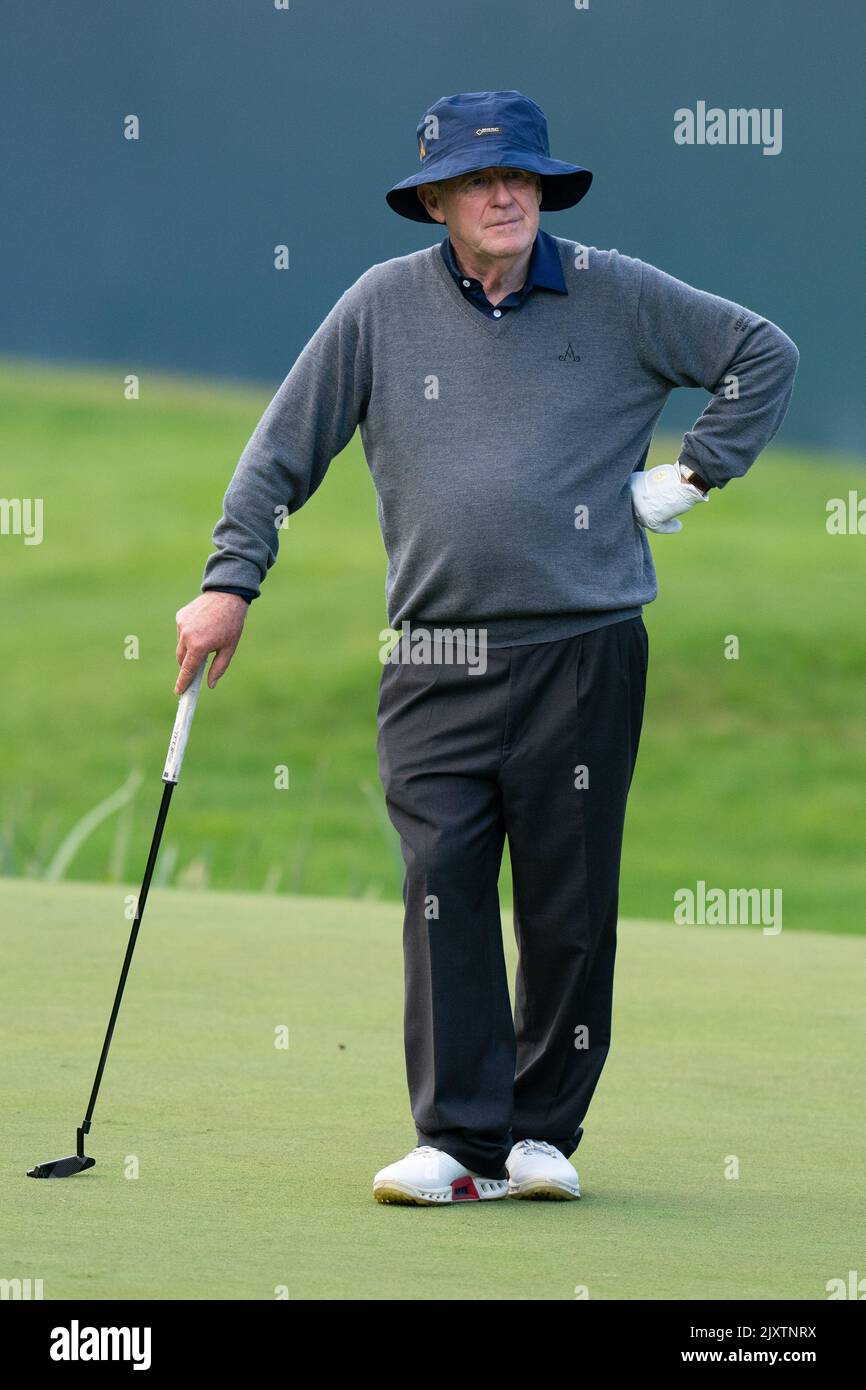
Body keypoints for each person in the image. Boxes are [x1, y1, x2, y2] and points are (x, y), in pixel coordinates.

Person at [175, 90, 799, 1206]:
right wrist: (230, 581)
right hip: (433, 654)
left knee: (567, 898)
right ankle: (458, 1140)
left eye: (520, 175)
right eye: (476, 180)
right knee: (441, 884)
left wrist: (696, 469)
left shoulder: (614, 293)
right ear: (434, 202)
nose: (504, 194)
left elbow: (760, 350)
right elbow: (281, 455)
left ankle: (538, 1134)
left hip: (584, 646)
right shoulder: (378, 307)